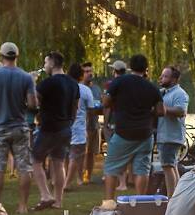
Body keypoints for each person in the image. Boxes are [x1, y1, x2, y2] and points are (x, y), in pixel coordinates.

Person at [0, 42, 38, 214]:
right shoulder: (26, 77)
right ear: (17, 56)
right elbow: (33, 104)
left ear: (1, 56)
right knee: (24, 167)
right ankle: (23, 206)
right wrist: (22, 104)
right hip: (20, 126)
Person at [102, 53, 164, 200]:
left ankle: (109, 202)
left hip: (123, 132)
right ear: (146, 69)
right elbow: (161, 111)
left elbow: (105, 102)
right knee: (142, 170)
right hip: (145, 133)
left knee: (111, 168)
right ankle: (141, 201)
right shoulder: (152, 87)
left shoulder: (119, 82)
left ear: (130, 67)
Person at [32, 51, 79, 210]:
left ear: (52, 63)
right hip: (65, 127)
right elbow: (75, 107)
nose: (44, 66)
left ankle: (45, 195)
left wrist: (32, 82)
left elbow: (33, 102)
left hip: (48, 128)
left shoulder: (47, 83)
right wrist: (69, 122)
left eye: (46, 62)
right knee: (58, 163)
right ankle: (58, 201)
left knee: (36, 160)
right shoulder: (73, 83)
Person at [157, 66, 189, 196]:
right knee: (172, 166)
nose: (161, 78)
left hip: (171, 136)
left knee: (167, 166)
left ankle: (172, 199)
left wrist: (164, 109)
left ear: (174, 79)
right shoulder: (164, 92)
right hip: (164, 135)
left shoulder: (180, 93)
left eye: (165, 76)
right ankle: (176, 197)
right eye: (162, 75)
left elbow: (181, 111)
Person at [66, 64, 98, 189]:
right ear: (80, 75)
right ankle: (67, 183)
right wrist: (90, 127)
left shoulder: (64, 88)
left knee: (70, 155)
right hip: (78, 127)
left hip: (64, 126)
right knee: (76, 155)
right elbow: (91, 111)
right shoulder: (85, 90)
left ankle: (78, 178)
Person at [79, 62, 101, 185]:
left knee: (92, 152)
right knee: (82, 152)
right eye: (86, 71)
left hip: (94, 124)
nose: (89, 74)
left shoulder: (96, 89)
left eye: (90, 71)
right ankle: (80, 175)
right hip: (83, 125)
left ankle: (89, 176)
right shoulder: (79, 88)